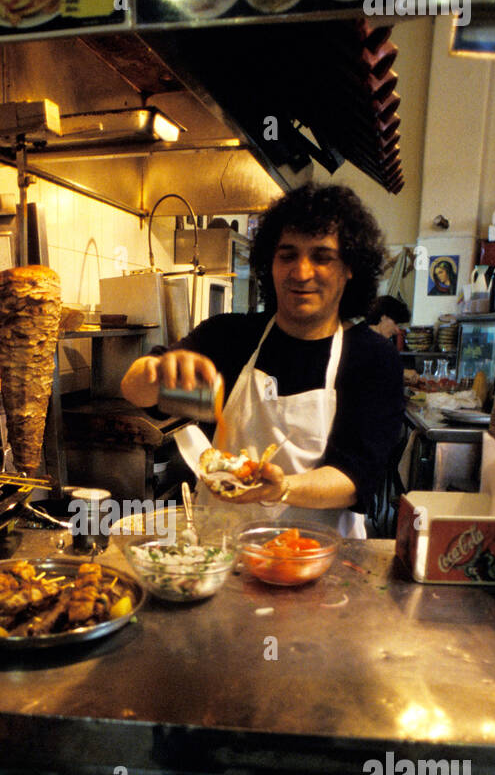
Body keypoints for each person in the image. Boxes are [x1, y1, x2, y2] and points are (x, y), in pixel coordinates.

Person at [121, 182, 405, 538]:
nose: (301, 273)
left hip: (318, 564)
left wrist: (282, 487)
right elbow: (138, 393)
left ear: (350, 268)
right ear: (270, 262)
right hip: (221, 555)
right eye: (287, 255)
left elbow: (353, 478)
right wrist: (154, 372)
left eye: (321, 257)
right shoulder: (230, 338)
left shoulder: (371, 359)